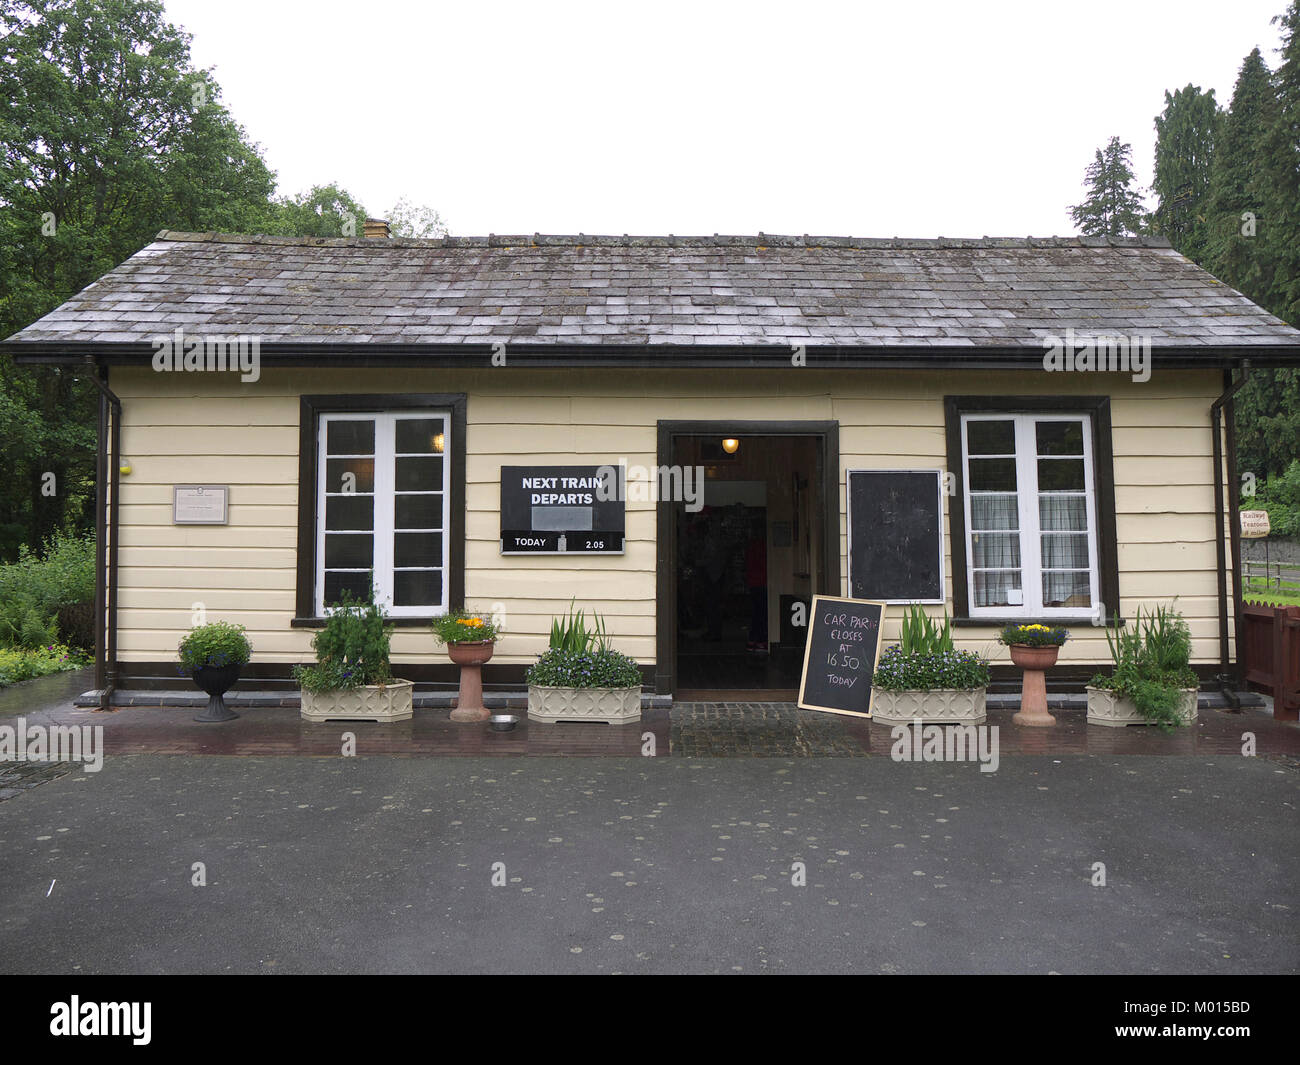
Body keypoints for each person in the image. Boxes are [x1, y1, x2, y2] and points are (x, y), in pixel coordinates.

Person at [744, 525, 768, 653]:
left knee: (756, 613)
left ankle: (753, 639)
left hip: (753, 583)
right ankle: (761, 641)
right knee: (762, 613)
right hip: (762, 582)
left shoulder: (751, 546)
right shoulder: (763, 545)